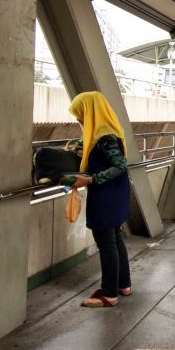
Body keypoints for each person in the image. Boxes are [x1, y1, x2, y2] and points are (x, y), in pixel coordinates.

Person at [62, 91, 132, 308]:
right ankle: (123, 284)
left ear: (91, 111)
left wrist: (91, 179)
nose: (79, 119)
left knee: (106, 243)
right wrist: (78, 146)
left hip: (107, 195)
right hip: (116, 193)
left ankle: (109, 294)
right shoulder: (107, 130)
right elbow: (99, 151)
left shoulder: (104, 137)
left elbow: (120, 166)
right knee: (115, 238)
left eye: (80, 113)